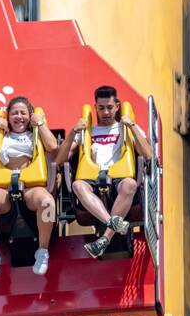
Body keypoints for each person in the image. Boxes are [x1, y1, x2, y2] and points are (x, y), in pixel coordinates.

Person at [54, 85, 153, 258]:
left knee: (130, 184)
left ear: (117, 106)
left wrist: (133, 127)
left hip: (120, 179)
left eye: (109, 107)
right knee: (77, 185)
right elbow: (60, 160)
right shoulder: (88, 131)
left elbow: (148, 154)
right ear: (95, 108)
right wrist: (73, 132)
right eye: (101, 108)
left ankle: (105, 238)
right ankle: (111, 222)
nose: (106, 112)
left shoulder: (127, 128)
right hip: (92, 180)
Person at [0, 95, 58, 276]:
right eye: (14, 113)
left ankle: (42, 251)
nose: (19, 117)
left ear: (30, 115)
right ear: (8, 116)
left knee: (47, 202)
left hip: (31, 188)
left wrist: (40, 124)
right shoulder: (2, 135)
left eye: (23, 113)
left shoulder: (36, 134)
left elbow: (52, 145)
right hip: (3, 189)